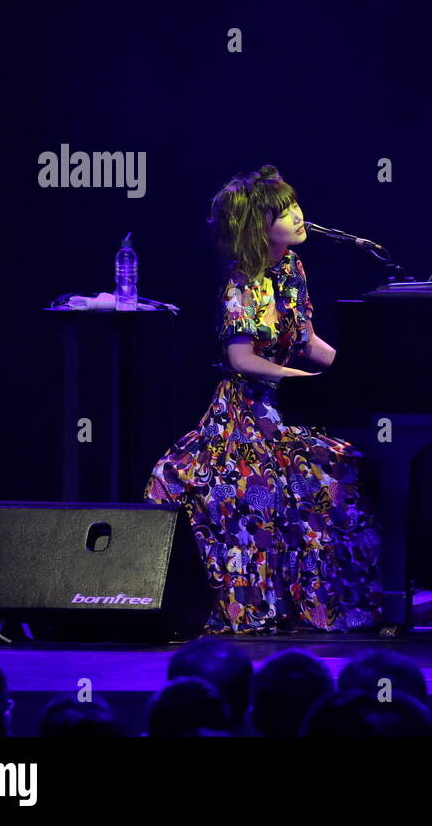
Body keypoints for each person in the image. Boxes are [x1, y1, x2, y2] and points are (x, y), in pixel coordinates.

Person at [145, 165, 381, 635]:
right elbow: (241, 359)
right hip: (247, 412)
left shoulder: (292, 268)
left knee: (340, 469)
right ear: (258, 225)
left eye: (295, 205)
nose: (299, 216)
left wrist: (362, 370)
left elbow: (310, 341)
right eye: (285, 211)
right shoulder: (241, 281)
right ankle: (254, 601)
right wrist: (298, 378)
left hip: (292, 402)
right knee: (265, 485)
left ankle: (331, 599)